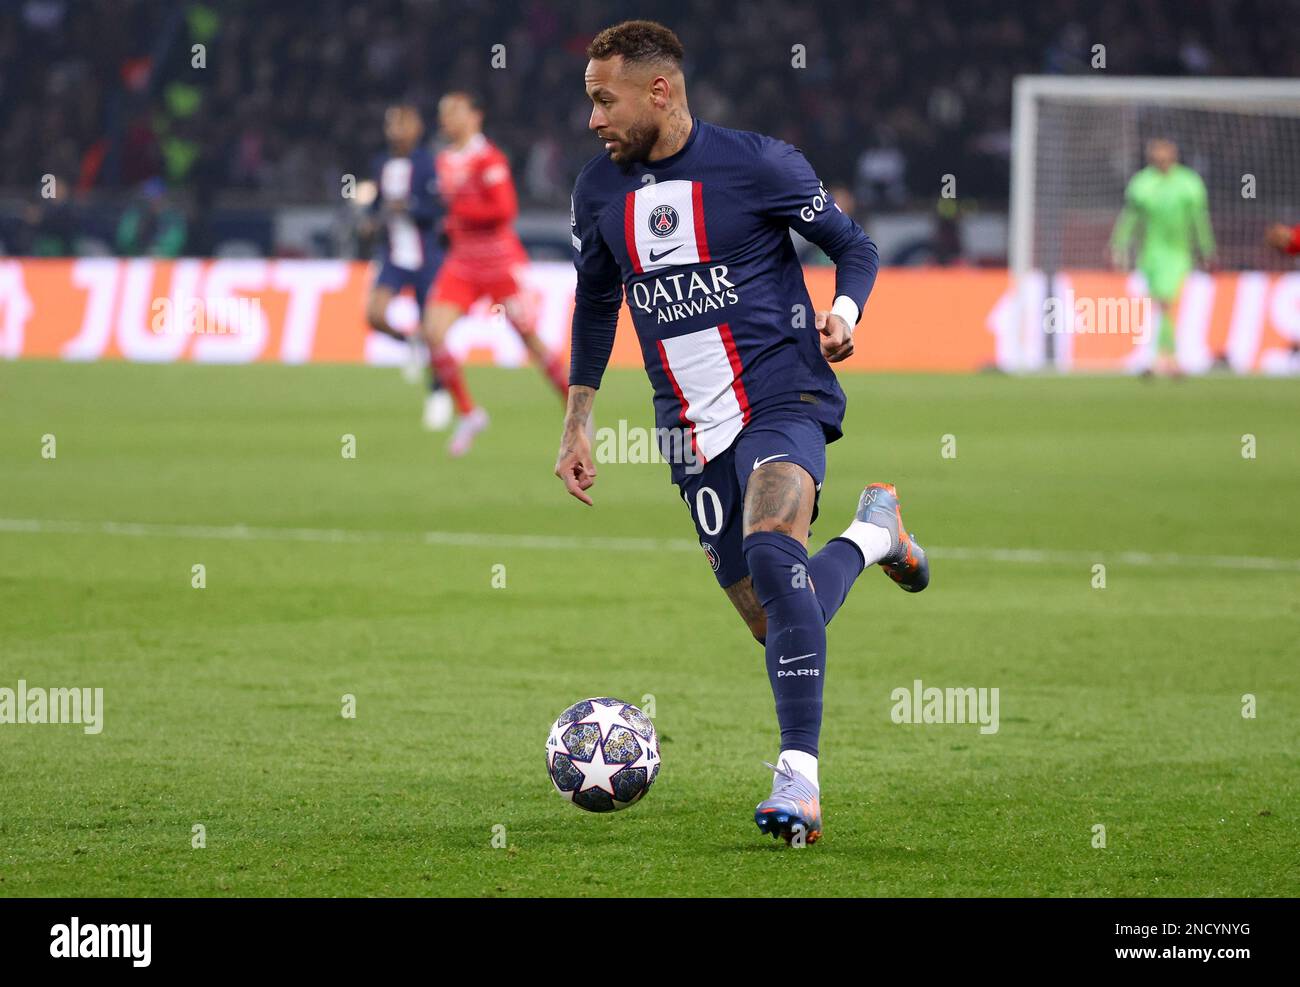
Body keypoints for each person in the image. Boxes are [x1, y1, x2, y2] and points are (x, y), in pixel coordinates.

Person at [554, 20, 930, 846]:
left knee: (771, 544)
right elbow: (594, 303)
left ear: (660, 91)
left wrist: (844, 309)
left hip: (781, 393)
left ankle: (799, 780)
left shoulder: (759, 163)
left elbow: (852, 243)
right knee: (775, 614)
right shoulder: (597, 192)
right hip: (686, 427)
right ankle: (872, 536)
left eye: (603, 100)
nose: (593, 120)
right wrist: (577, 420)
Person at [421, 92, 569, 457]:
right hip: (461, 264)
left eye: (455, 112)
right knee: (432, 332)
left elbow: (504, 210)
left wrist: (458, 213)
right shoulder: (442, 161)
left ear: (475, 116)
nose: (447, 120)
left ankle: (575, 409)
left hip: (499, 263)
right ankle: (469, 413)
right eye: (443, 114)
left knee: (529, 339)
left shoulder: (490, 159)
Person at [362, 103, 450, 430]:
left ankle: (438, 393)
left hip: (426, 258)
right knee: (374, 314)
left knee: (433, 331)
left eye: (403, 123)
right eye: (391, 123)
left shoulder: (427, 163)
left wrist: (408, 207)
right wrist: (370, 221)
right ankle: (408, 342)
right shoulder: (380, 164)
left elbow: (437, 209)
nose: (396, 130)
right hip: (394, 255)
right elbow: (374, 204)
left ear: (416, 128)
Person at [1110, 139, 1215, 378]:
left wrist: (1206, 248)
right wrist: (1118, 244)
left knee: (1165, 301)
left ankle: (1162, 358)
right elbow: (1130, 218)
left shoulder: (1189, 183)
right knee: (1162, 304)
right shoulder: (1142, 183)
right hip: (1151, 253)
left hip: (1179, 252)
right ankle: (1169, 359)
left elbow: (1199, 220)